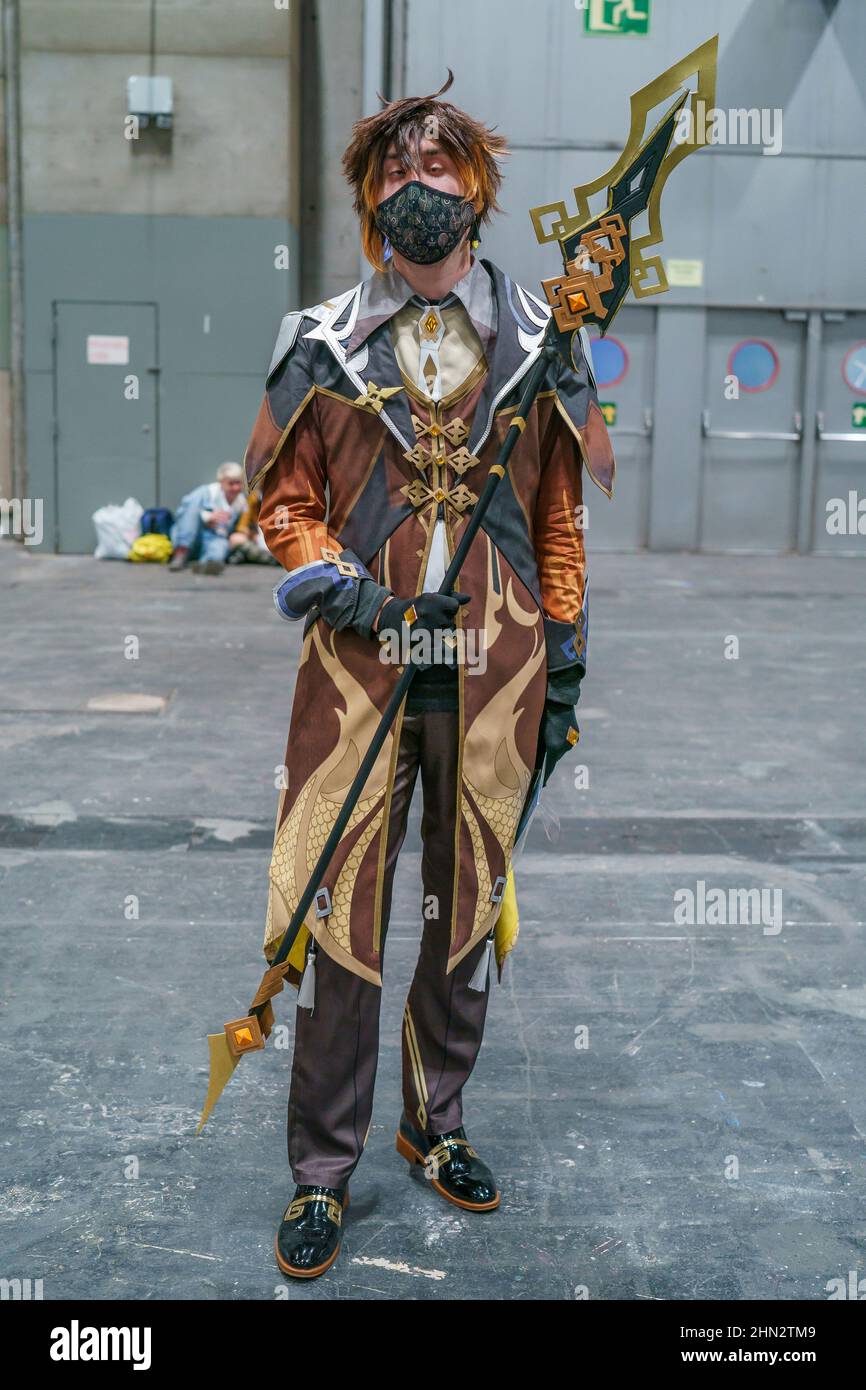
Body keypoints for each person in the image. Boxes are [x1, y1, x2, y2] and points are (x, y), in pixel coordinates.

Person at [243, 72, 615, 1279]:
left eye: (439, 170)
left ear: (476, 191)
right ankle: (320, 1169)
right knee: (341, 920)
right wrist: (342, 585)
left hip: (491, 675)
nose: (419, 190)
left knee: (461, 923)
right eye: (397, 174)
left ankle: (431, 1120)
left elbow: (558, 518)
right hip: (361, 669)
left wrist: (561, 658)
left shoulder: (540, 346)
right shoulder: (319, 343)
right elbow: (279, 501)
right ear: (369, 198)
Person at [169, 462, 248, 573]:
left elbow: (243, 527)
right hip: (193, 535)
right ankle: (181, 553)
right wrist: (207, 517)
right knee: (192, 508)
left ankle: (207, 563)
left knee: (220, 546)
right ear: (221, 483)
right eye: (231, 483)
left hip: (215, 537)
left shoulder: (242, 502)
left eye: (238, 483)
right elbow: (184, 515)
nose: (235, 488)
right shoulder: (204, 493)